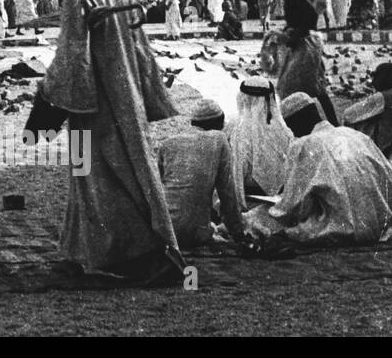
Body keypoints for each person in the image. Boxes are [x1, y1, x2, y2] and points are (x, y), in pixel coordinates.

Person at [40, 0, 183, 286]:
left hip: (93, 96)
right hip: (127, 94)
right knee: (130, 168)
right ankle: (77, 249)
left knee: (89, 174)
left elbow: (73, 48)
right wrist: (145, 94)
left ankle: (110, 252)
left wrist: (59, 94)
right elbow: (140, 50)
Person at [245, 92, 392, 244]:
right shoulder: (357, 136)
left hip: (342, 229)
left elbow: (294, 208)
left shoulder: (304, 144)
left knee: (259, 216)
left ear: (296, 123)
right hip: (381, 225)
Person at [153, 98, 246, 249]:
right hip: (192, 233)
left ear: (192, 123)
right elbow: (227, 193)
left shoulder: (168, 142)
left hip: (164, 230)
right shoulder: (219, 138)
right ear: (220, 123)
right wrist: (238, 234)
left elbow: (159, 186)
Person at [262, 0, 336, 125]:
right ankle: (329, 122)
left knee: (296, 85)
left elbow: (310, 16)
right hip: (299, 41)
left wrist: (296, 35)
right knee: (314, 86)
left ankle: (313, 122)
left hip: (304, 43)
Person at [226, 76, 292, 207]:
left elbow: (235, 175)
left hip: (248, 200)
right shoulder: (284, 128)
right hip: (280, 200)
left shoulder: (237, 128)